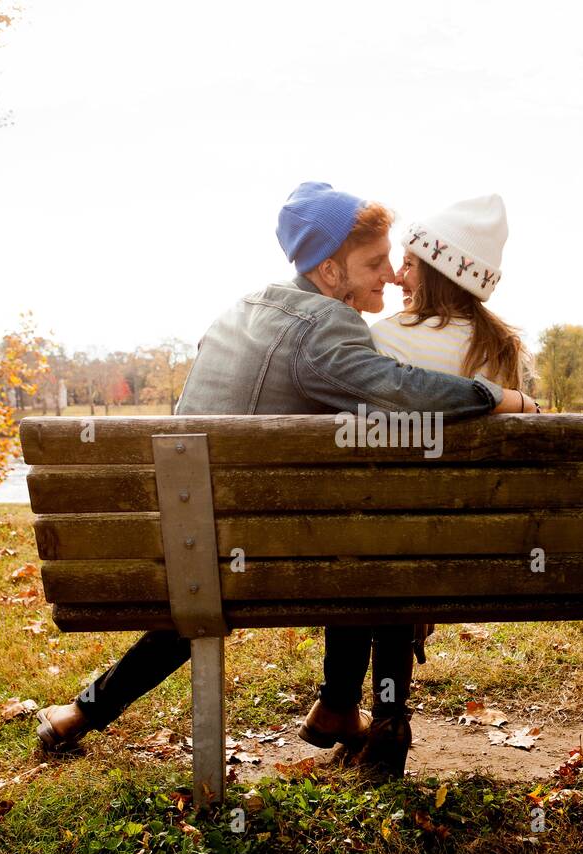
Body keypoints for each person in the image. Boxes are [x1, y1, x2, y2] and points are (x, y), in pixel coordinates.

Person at [36, 182, 537, 782]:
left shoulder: (242, 310)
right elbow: (403, 393)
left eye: (395, 261)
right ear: (330, 271)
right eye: (375, 263)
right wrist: (495, 394)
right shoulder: (331, 333)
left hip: (185, 537)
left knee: (250, 568)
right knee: (370, 551)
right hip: (276, 551)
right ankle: (354, 710)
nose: (391, 275)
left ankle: (83, 711)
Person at [370, 193, 534, 397]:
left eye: (409, 264)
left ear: (438, 276)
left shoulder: (387, 337)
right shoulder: (504, 349)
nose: (397, 277)